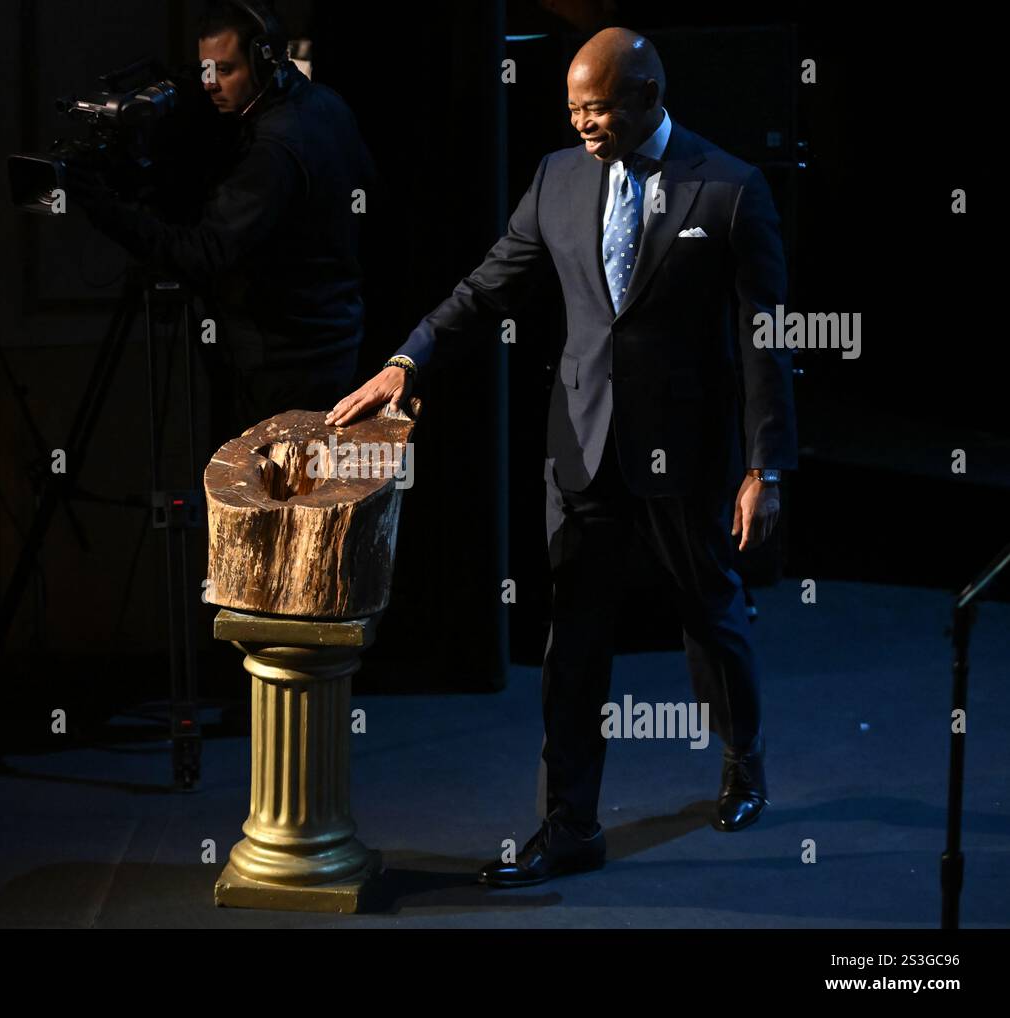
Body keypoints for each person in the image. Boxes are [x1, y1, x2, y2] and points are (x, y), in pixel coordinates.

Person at [325, 27, 797, 887]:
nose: (583, 123)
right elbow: (489, 282)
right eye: (573, 108)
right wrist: (408, 359)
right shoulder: (557, 176)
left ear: (648, 95)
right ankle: (570, 824)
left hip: (687, 460)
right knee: (573, 644)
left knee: (711, 620)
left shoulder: (729, 189)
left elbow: (765, 340)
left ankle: (743, 761)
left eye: (598, 107)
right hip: (580, 448)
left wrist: (765, 467)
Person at [69, 0, 376, 441]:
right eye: (205, 70)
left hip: (279, 364)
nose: (210, 84)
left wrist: (103, 207)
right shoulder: (326, 102)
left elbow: (201, 255)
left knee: (269, 502)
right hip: (335, 343)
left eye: (225, 70)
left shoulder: (271, 150)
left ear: (264, 62)